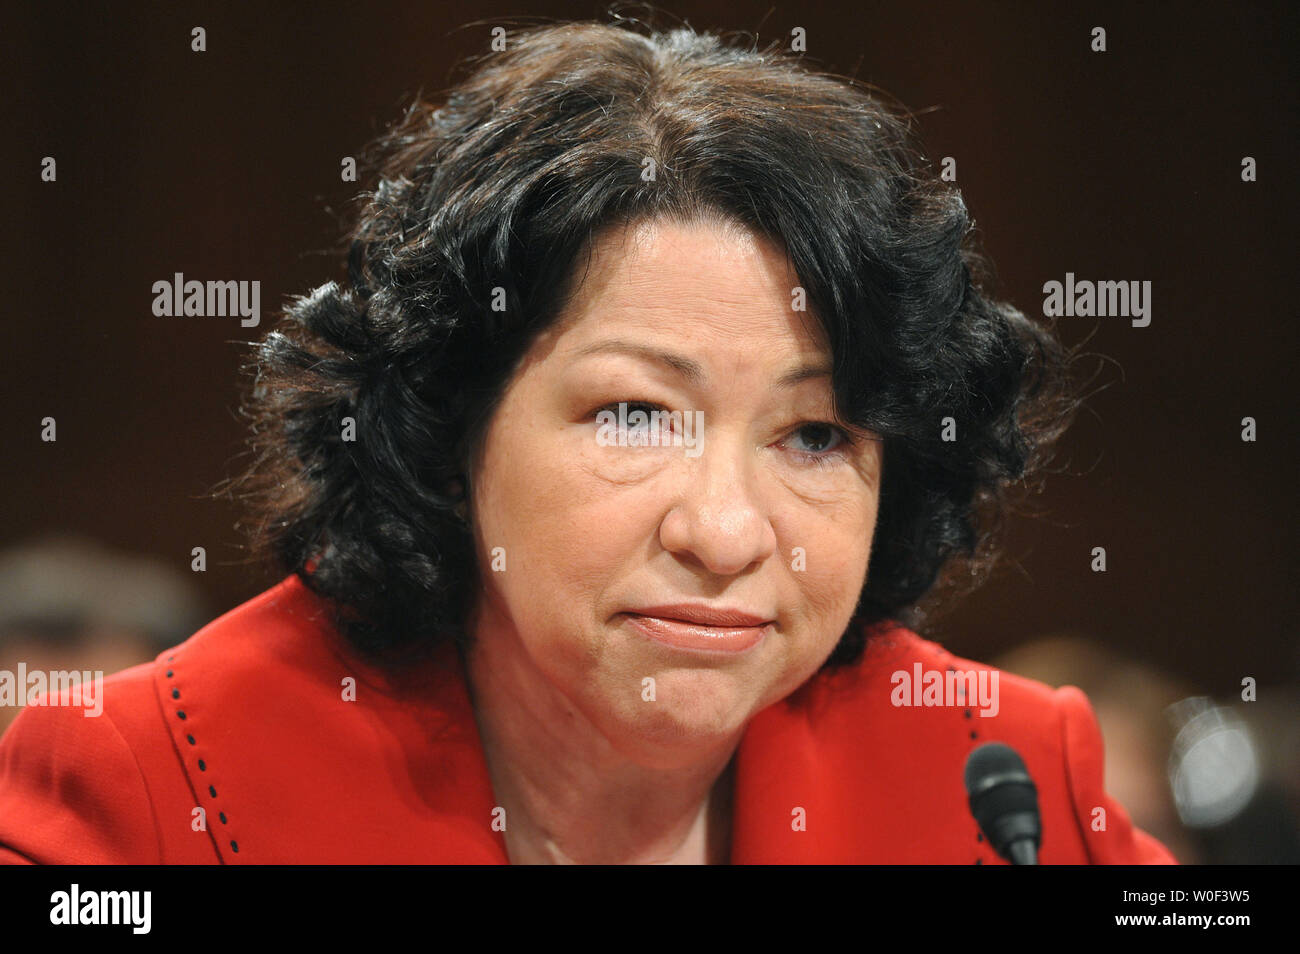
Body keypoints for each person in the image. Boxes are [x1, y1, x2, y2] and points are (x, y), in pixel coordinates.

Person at [0, 19, 1175, 864]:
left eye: (814, 434)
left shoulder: (1008, 780)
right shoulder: (142, 796)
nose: (723, 532)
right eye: (632, 414)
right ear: (448, 425)